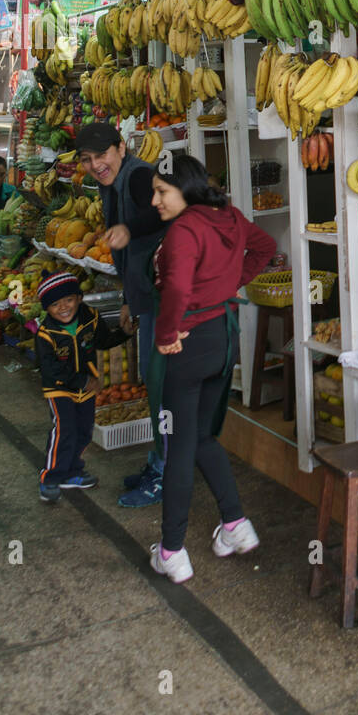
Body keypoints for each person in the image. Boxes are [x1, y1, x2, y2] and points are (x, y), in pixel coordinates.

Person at [147, 155, 275, 583]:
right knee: (202, 436)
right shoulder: (228, 217)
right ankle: (236, 526)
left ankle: (171, 551)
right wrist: (230, 285)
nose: (155, 201)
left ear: (184, 189)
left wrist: (167, 333)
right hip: (224, 338)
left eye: (161, 192)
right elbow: (265, 247)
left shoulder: (185, 229)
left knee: (179, 444)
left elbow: (179, 287)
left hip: (187, 342)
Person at [75, 123, 166, 507]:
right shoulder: (109, 183)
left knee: (162, 387)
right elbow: (129, 253)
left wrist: (129, 228)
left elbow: (163, 214)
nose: (96, 165)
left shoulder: (140, 175)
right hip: (149, 295)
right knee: (155, 382)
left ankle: (164, 474)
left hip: (170, 298)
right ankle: (158, 461)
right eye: (88, 159)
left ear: (121, 147)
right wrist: (130, 299)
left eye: (103, 155)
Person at [35, 270, 135, 503]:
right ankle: (50, 477)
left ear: (79, 298)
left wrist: (124, 334)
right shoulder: (46, 334)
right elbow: (50, 370)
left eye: (69, 300)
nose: (63, 307)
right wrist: (82, 381)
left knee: (83, 430)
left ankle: (71, 471)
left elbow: (102, 341)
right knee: (64, 429)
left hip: (85, 388)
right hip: (59, 388)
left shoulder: (90, 316)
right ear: (47, 308)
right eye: (55, 304)